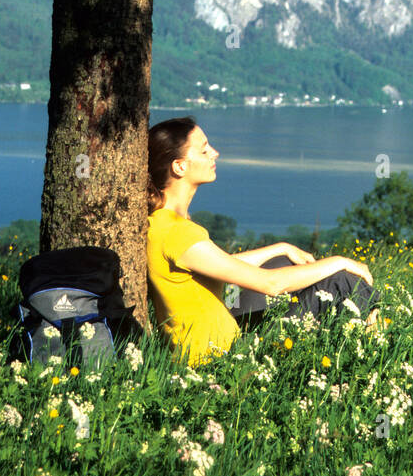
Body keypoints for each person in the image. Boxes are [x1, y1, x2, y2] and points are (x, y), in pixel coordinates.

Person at [146, 116, 380, 365]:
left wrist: (282, 247)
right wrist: (340, 261)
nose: (215, 153)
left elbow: (221, 264)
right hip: (223, 361)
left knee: (278, 260)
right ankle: (372, 356)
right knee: (342, 281)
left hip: (225, 333)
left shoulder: (164, 223)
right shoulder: (177, 233)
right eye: (204, 150)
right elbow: (271, 284)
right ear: (179, 167)